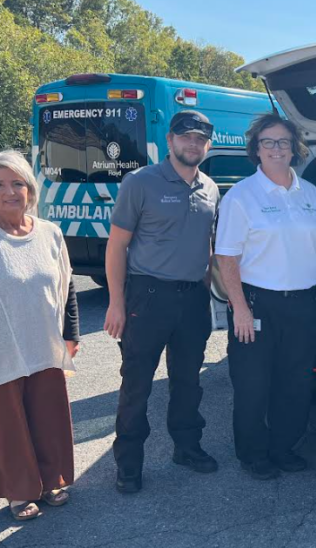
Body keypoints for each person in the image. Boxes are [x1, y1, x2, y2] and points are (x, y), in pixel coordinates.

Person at [214, 112, 316, 480]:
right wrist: (237, 307)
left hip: (301, 302)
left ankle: (284, 447)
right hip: (256, 303)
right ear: (256, 149)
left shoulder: (310, 194)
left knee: (294, 382)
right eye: (267, 142)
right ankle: (253, 454)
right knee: (253, 384)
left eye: (283, 142)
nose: (276, 148)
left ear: (294, 148)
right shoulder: (241, 196)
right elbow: (227, 257)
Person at [0, 150, 79, 521]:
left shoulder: (50, 234)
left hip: (44, 342)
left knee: (49, 414)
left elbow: (66, 285)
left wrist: (71, 334)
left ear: (30, 190)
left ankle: (52, 479)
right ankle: (20, 492)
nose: (10, 192)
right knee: (7, 423)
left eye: (18, 183)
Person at [104, 110, 220, 493]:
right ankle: (129, 465)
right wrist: (116, 303)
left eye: (201, 139)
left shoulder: (211, 188)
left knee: (188, 382)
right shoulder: (140, 183)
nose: (193, 144)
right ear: (170, 140)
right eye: (186, 137)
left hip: (192, 300)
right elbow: (117, 245)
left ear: (208, 145)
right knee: (137, 384)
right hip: (148, 297)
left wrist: (207, 288)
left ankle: (187, 447)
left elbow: (207, 246)